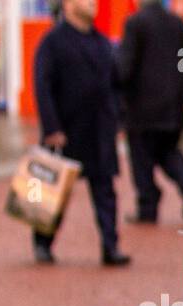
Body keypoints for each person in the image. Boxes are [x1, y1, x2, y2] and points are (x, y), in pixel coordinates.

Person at [31, 0, 129, 265]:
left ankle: (110, 246)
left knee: (105, 190)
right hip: (66, 131)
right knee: (54, 190)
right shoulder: (52, 42)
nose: (93, 3)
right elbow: (42, 85)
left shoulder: (103, 42)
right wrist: (51, 127)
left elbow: (116, 84)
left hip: (100, 131)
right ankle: (42, 242)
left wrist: (118, 119)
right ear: (68, 4)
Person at [117, 0, 183, 225]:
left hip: (141, 109)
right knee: (169, 153)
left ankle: (148, 206)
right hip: (173, 108)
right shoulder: (178, 24)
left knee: (141, 160)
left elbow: (125, 68)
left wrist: (121, 96)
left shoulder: (135, 24)